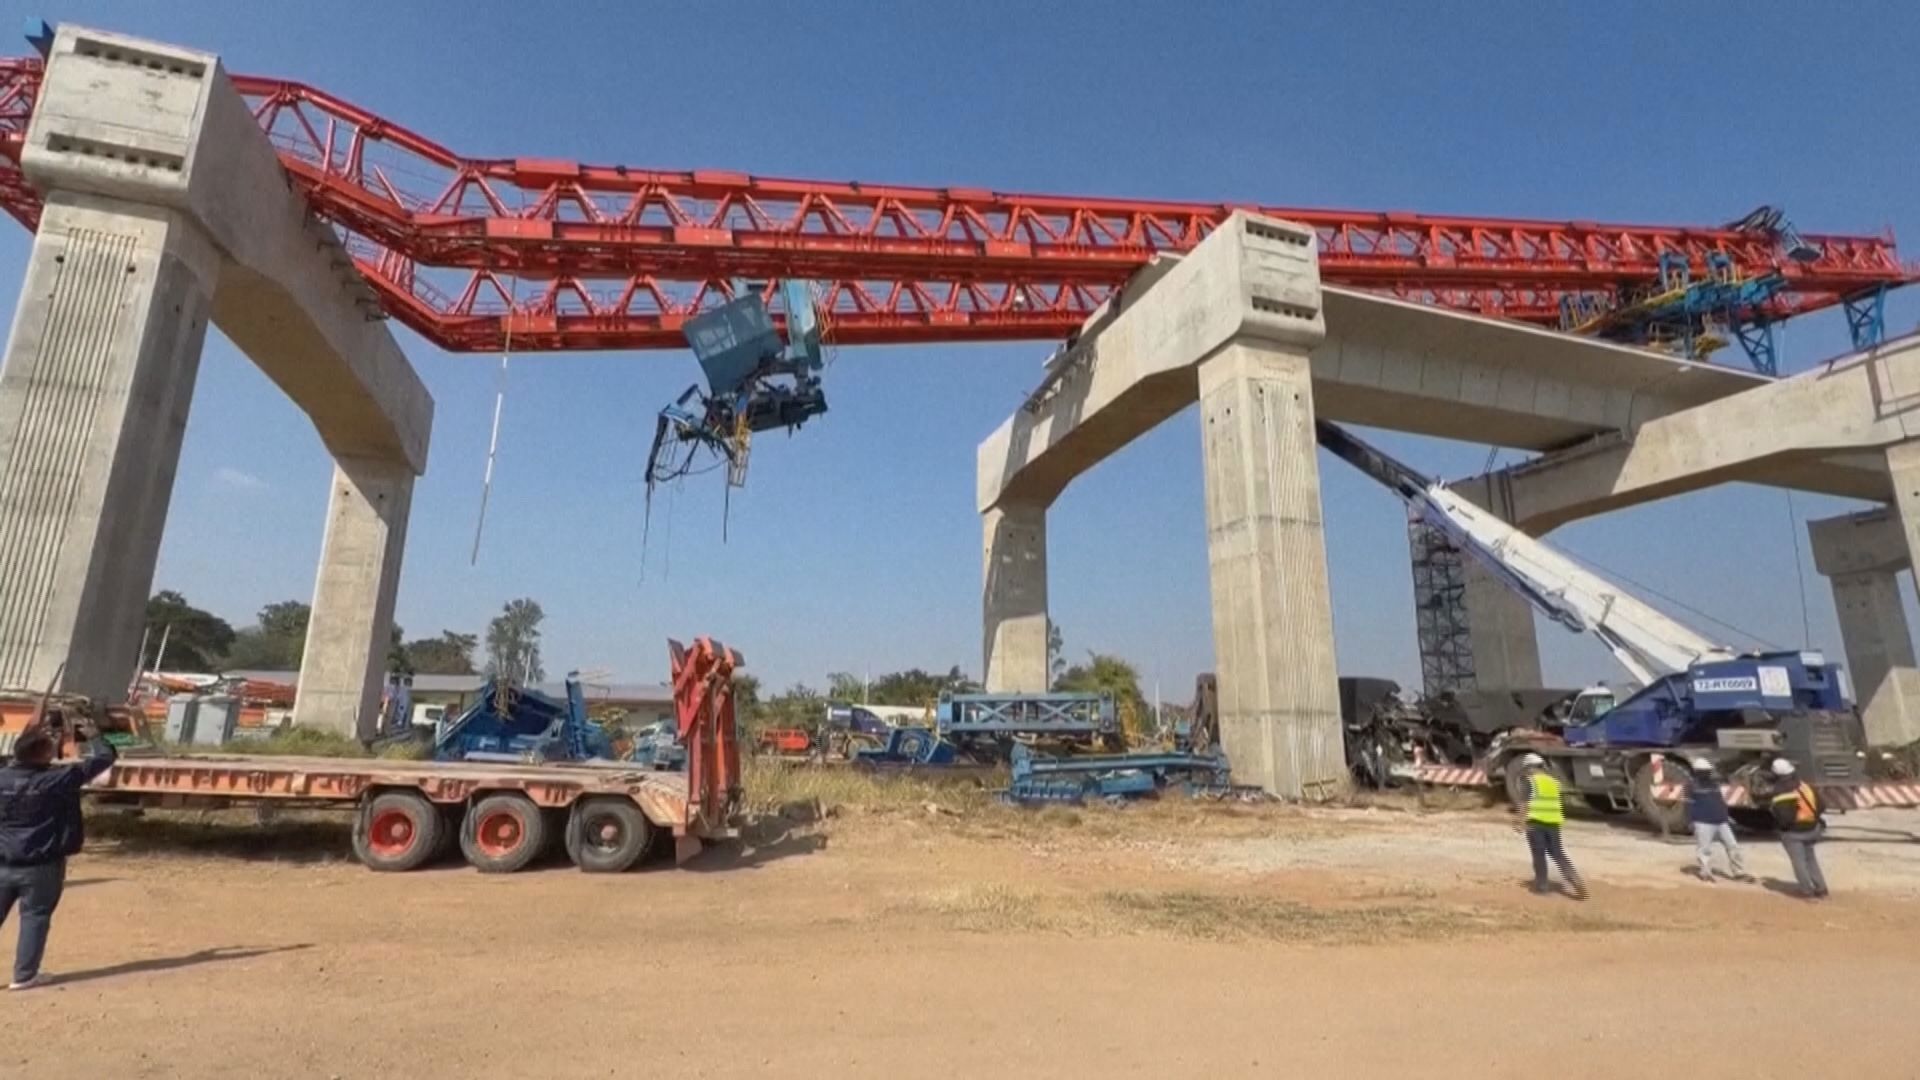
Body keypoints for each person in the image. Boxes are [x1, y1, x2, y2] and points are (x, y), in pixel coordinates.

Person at [0, 711, 118, 990]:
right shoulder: (56, 780)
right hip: (42, 864)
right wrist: (95, 737)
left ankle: (25, 975)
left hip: (3, 860)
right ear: (43, 756)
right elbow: (103, 759)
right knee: (35, 917)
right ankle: (24, 975)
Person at [1516, 753, 1587, 900]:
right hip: (1554, 822)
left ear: (1529, 768)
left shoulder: (1530, 782)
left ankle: (1542, 886)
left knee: (1539, 854)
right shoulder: (1553, 782)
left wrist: (1520, 822)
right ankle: (1575, 878)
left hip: (1536, 822)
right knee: (1558, 853)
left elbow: (1525, 804)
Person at [1768, 758, 1828, 900]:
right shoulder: (1805, 785)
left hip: (1794, 833)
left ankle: (1807, 892)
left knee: (1799, 862)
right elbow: (1822, 805)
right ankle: (1822, 889)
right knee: (1811, 859)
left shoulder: (1781, 791)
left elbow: (1785, 818)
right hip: (1812, 829)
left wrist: (1781, 828)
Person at [1685, 757, 1752, 883]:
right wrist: (1690, 821)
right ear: (1697, 771)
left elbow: (1720, 802)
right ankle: (1705, 873)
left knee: (1733, 846)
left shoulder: (1714, 784)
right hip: (1702, 822)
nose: (1707, 773)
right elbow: (1687, 805)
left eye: (1707, 771)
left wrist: (1726, 816)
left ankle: (1739, 873)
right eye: (1704, 771)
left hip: (1721, 821)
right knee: (1704, 850)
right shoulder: (1689, 786)